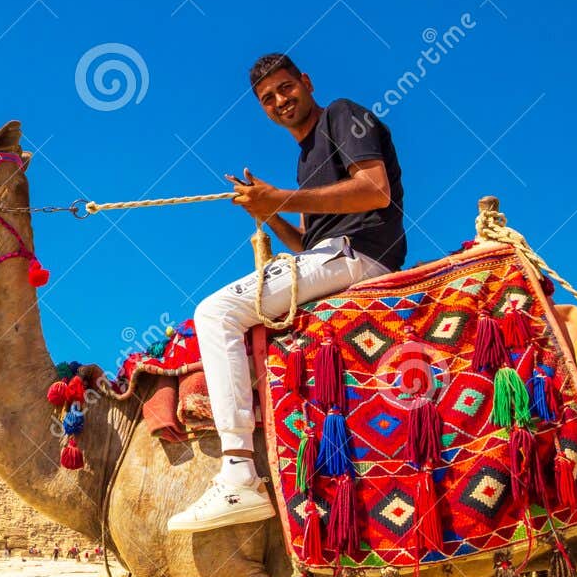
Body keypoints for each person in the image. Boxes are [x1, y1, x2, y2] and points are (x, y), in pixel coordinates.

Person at [167, 53, 406, 533]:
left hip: (356, 254)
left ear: (306, 82)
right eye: (267, 98)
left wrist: (280, 198)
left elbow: (374, 190)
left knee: (215, 313)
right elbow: (304, 244)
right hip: (329, 256)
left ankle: (238, 473)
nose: (280, 100)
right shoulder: (305, 159)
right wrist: (269, 212)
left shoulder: (342, 114)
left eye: (285, 87)